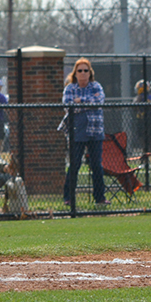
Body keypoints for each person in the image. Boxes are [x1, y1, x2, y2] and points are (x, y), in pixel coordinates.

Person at [62, 57, 105, 206]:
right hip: (77, 131)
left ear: (90, 72)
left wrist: (80, 102)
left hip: (95, 131)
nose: (82, 73)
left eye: (85, 70)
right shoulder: (70, 88)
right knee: (74, 165)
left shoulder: (96, 86)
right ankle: (68, 197)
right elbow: (68, 106)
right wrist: (86, 103)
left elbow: (99, 102)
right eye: (79, 70)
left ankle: (100, 198)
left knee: (96, 166)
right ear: (75, 73)